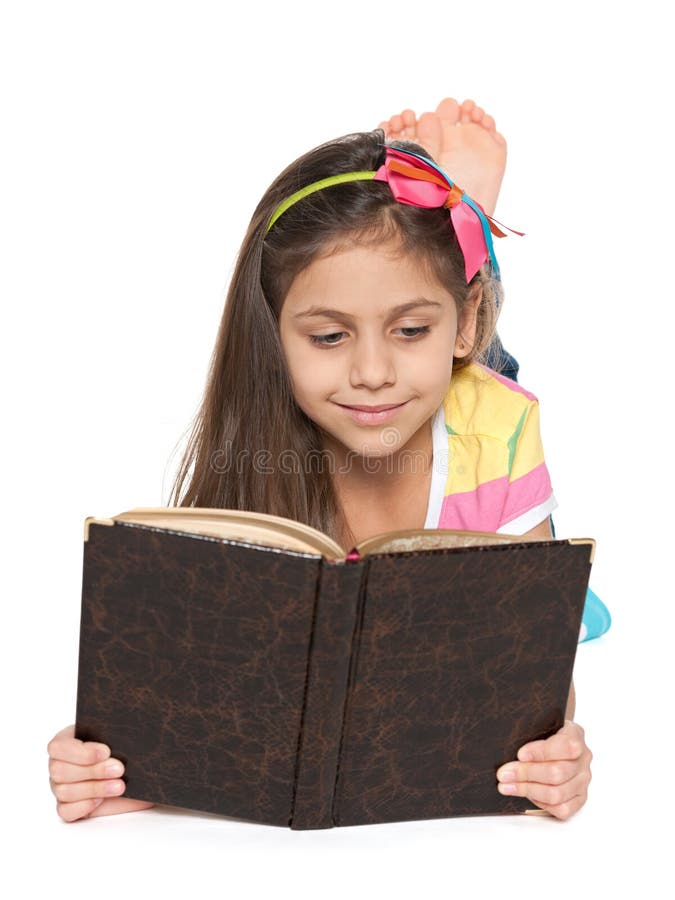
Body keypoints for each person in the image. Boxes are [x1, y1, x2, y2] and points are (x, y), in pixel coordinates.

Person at [47, 97, 593, 824]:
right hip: (422, 374)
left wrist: (554, 757)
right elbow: (188, 700)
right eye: (328, 337)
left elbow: (537, 674)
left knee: (484, 378)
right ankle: (448, 239)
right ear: (274, 339)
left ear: (457, 323)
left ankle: (469, 229)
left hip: (467, 414)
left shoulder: (500, 426)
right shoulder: (256, 449)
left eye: (408, 327)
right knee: (424, 368)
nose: (370, 371)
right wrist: (109, 766)